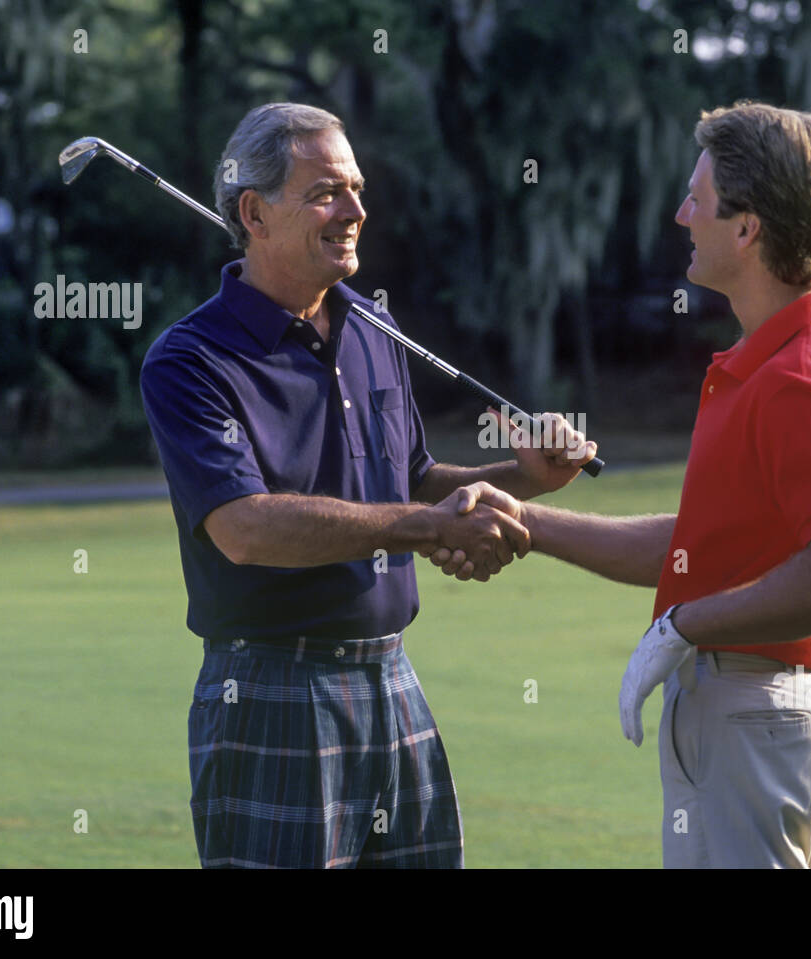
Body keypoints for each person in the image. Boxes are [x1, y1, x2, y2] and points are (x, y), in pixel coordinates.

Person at [426, 100, 811, 868]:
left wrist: (686, 626)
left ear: (746, 230)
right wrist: (531, 522)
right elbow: (694, 550)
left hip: (751, 713)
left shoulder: (797, 375)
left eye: (698, 201)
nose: (681, 216)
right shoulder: (795, 354)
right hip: (781, 714)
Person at [139, 102, 595, 868]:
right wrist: (427, 528)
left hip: (391, 676)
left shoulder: (371, 331)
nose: (355, 210)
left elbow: (411, 480)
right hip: (271, 690)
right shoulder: (190, 361)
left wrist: (520, 477)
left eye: (354, 188)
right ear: (254, 212)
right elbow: (245, 527)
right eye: (325, 193)